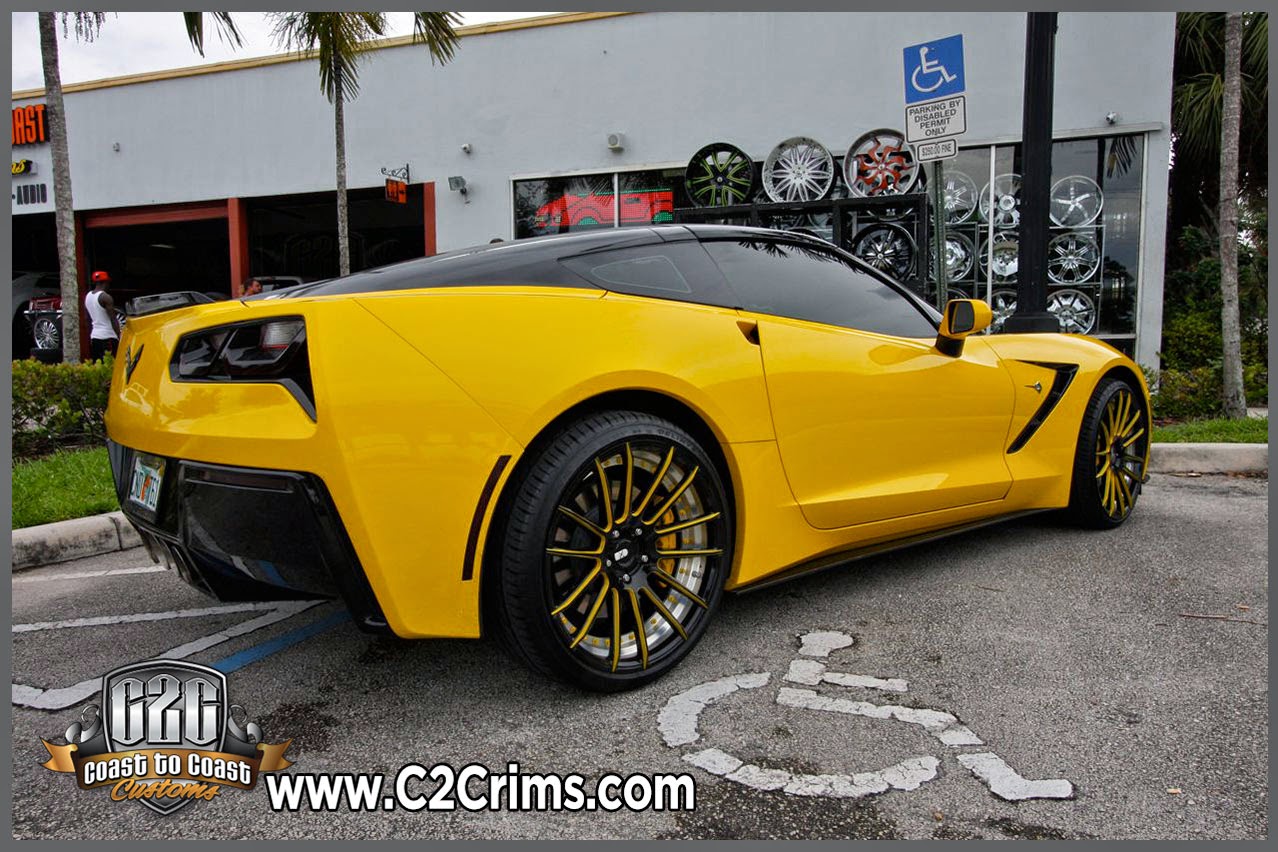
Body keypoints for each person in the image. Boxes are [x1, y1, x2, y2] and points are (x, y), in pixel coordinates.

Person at [84, 270, 120, 361]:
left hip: (95, 336)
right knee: (111, 365)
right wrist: (119, 336)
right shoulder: (106, 297)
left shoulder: (88, 296)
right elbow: (113, 319)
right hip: (108, 337)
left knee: (98, 366)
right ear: (106, 282)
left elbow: (88, 318)